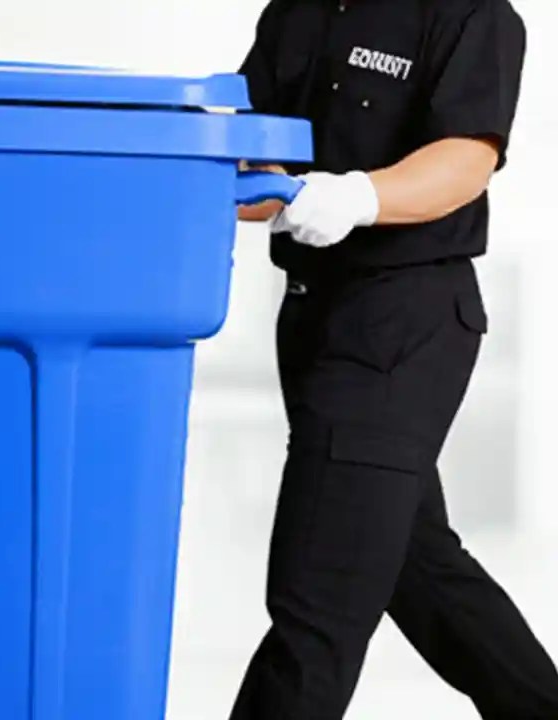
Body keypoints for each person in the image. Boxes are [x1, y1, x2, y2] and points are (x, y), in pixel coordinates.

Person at [232, 1, 558, 718]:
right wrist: (258, 184)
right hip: (312, 316)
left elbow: (466, 160)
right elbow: (251, 146)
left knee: (318, 599)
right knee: (419, 567)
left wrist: (355, 195)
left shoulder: (471, 15)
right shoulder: (297, 11)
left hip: (400, 326)